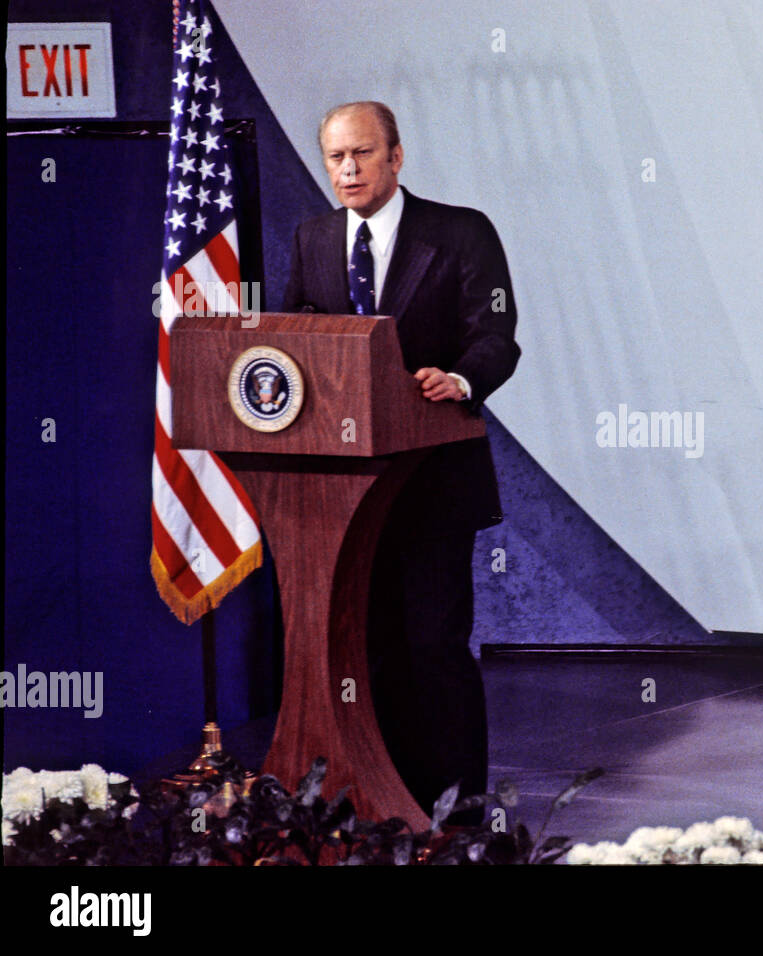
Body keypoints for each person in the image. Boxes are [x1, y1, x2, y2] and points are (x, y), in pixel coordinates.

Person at [282, 101, 520, 822]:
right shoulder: (312, 239)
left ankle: (458, 812)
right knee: (367, 652)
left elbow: (498, 334)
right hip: (341, 491)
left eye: (361, 154)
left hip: (432, 484)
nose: (347, 170)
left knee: (433, 646)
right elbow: (298, 345)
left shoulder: (460, 232)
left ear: (397, 156)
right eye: (335, 158)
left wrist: (461, 380)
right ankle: (385, 804)